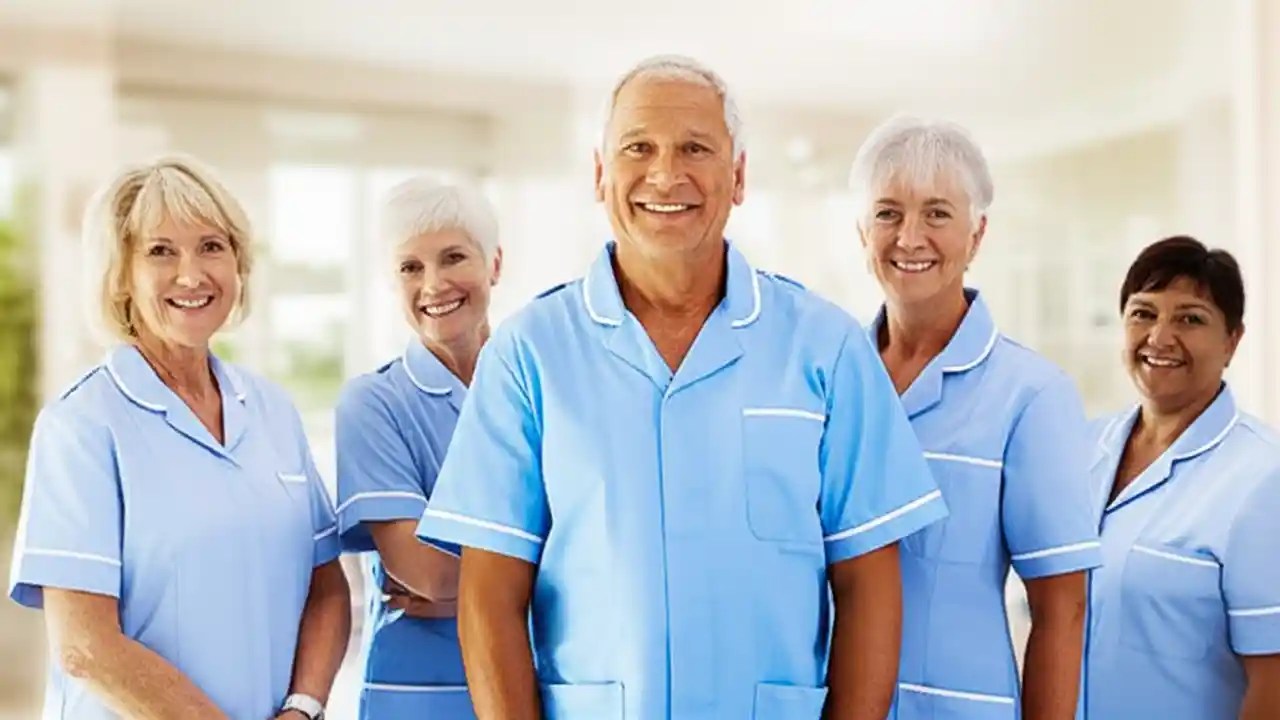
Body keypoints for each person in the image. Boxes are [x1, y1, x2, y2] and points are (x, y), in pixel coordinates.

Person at [415, 55, 948, 720]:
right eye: (638, 147)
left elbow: (868, 582)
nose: (666, 174)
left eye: (695, 147)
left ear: (739, 175)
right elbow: (491, 597)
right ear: (600, 174)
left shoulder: (828, 348)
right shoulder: (529, 355)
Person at [6, 155, 350, 720]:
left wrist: (302, 708)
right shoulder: (83, 423)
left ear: (238, 263)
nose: (191, 275)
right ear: (121, 274)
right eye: (160, 251)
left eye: (211, 246)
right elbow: (86, 647)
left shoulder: (271, 411)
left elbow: (327, 587)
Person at [849, 115, 1101, 719]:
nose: (910, 237)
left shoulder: (1030, 395)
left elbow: (1061, 609)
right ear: (862, 230)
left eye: (937, 213)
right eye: (888, 213)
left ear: (977, 234)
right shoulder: (829, 379)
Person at [1085, 236, 1280, 719]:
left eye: (1190, 318)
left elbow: (1273, 683)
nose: (1160, 336)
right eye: (1143, 313)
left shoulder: (1262, 477)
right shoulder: (1079, 450)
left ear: (1232, 341)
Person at [334, 177, 503, 719]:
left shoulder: (544, 388)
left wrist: (460, 594)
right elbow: (425, 572)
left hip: (530, 684)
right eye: (410, 267)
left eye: (454, 257)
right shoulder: (373, 403)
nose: (434, 284)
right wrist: (546, 577)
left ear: (494, 265)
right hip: (419, 695)